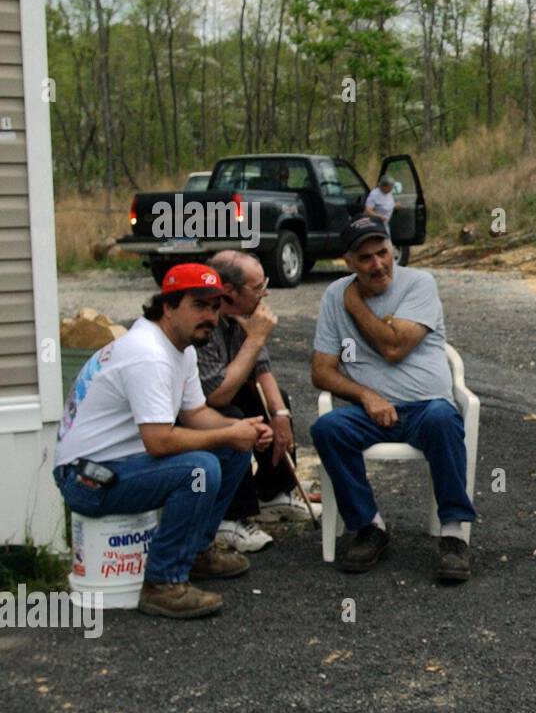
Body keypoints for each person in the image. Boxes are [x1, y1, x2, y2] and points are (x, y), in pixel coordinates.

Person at [53, 263, 274, 619]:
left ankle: (196, 551)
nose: (211, 317)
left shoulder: (181, 347)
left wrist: (242, 430)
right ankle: (163, 583)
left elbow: (197, 415)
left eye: (216, 307)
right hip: (85, 479)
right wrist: (229, 433)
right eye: (199, 305)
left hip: (116, 467)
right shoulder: (148, 353)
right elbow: (158, 442)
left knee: (231, 448)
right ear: (169, 306)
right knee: (199, 469)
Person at [310, 217, 476, 582]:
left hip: (426, 406)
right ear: (349, 262)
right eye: (366, 258)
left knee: (443, 419)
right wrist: (365, 395)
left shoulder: (418, 283)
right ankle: (369, 526)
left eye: (383, 253)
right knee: (327, 428)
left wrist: (355, 304)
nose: (378, 264)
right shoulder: (334, 295)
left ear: (393, 250)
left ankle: (452, 534)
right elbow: (321, 371)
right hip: (369, 412)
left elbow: (394, 347)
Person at [199, 250, 317, 556]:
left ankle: (273, 492)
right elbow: (216, 395)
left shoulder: (246, 313)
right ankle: (230, 516)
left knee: (278, 401)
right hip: (195, 405)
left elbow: (261, 369)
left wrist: (279, 414)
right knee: (233, 413)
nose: (264, 292)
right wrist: (254, 339)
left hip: (224, 387)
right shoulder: (205, 320)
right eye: (257, 287)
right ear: (228, 292)